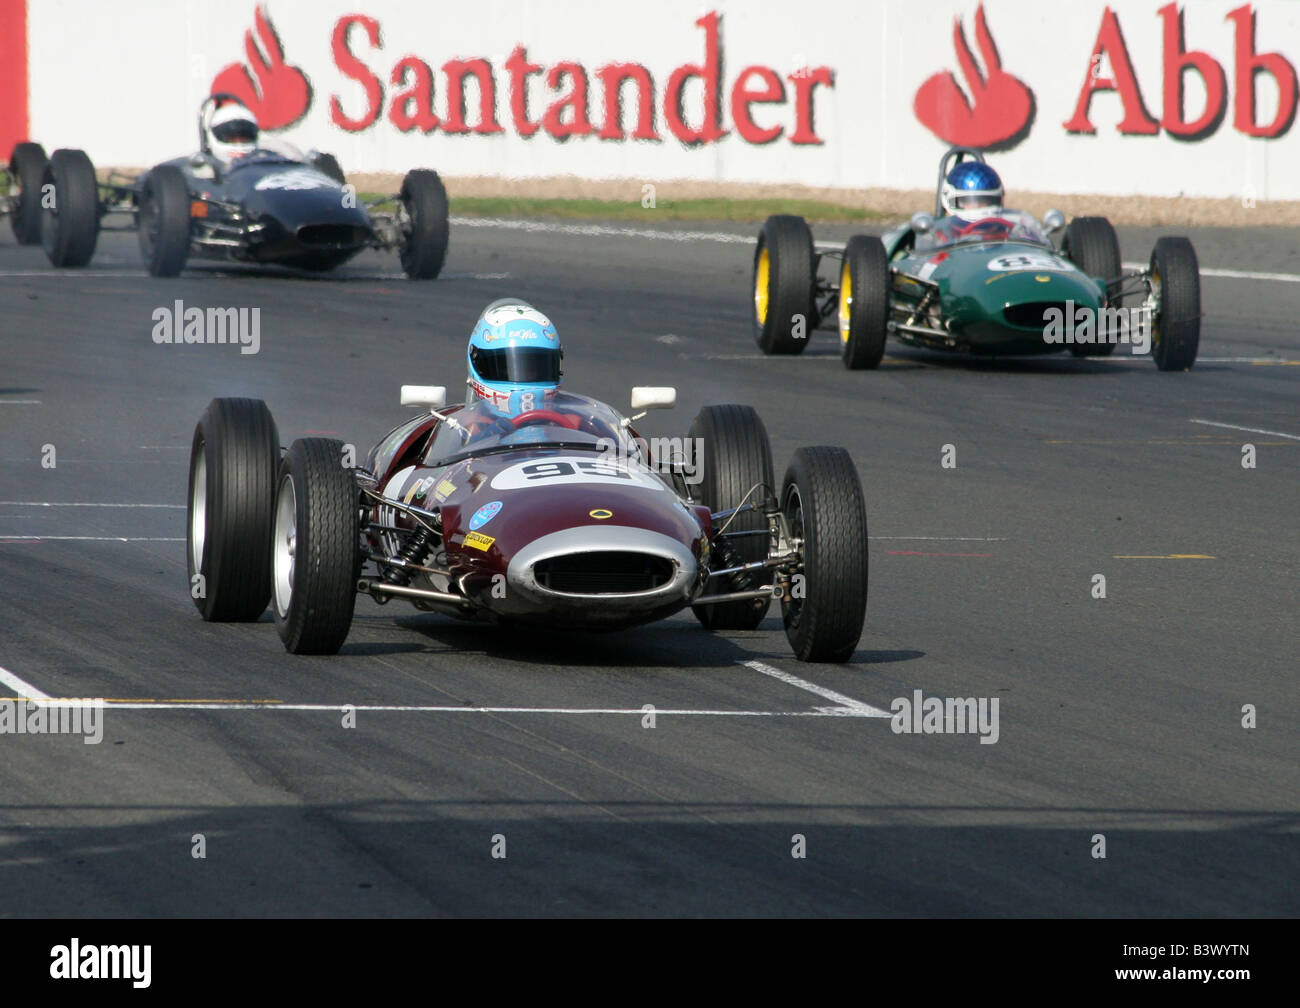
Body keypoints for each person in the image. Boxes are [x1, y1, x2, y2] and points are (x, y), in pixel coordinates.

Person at [465, 299, 564, 415]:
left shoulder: (571, 422)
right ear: (477, 362)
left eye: (533, 369)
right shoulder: (468, 428)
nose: (523, 376)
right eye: (505, 368)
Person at [205, 100, 260, 166]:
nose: (239, 145)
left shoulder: (262, 170)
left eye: (244, 139)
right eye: (232, 139)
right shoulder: (203, 172)